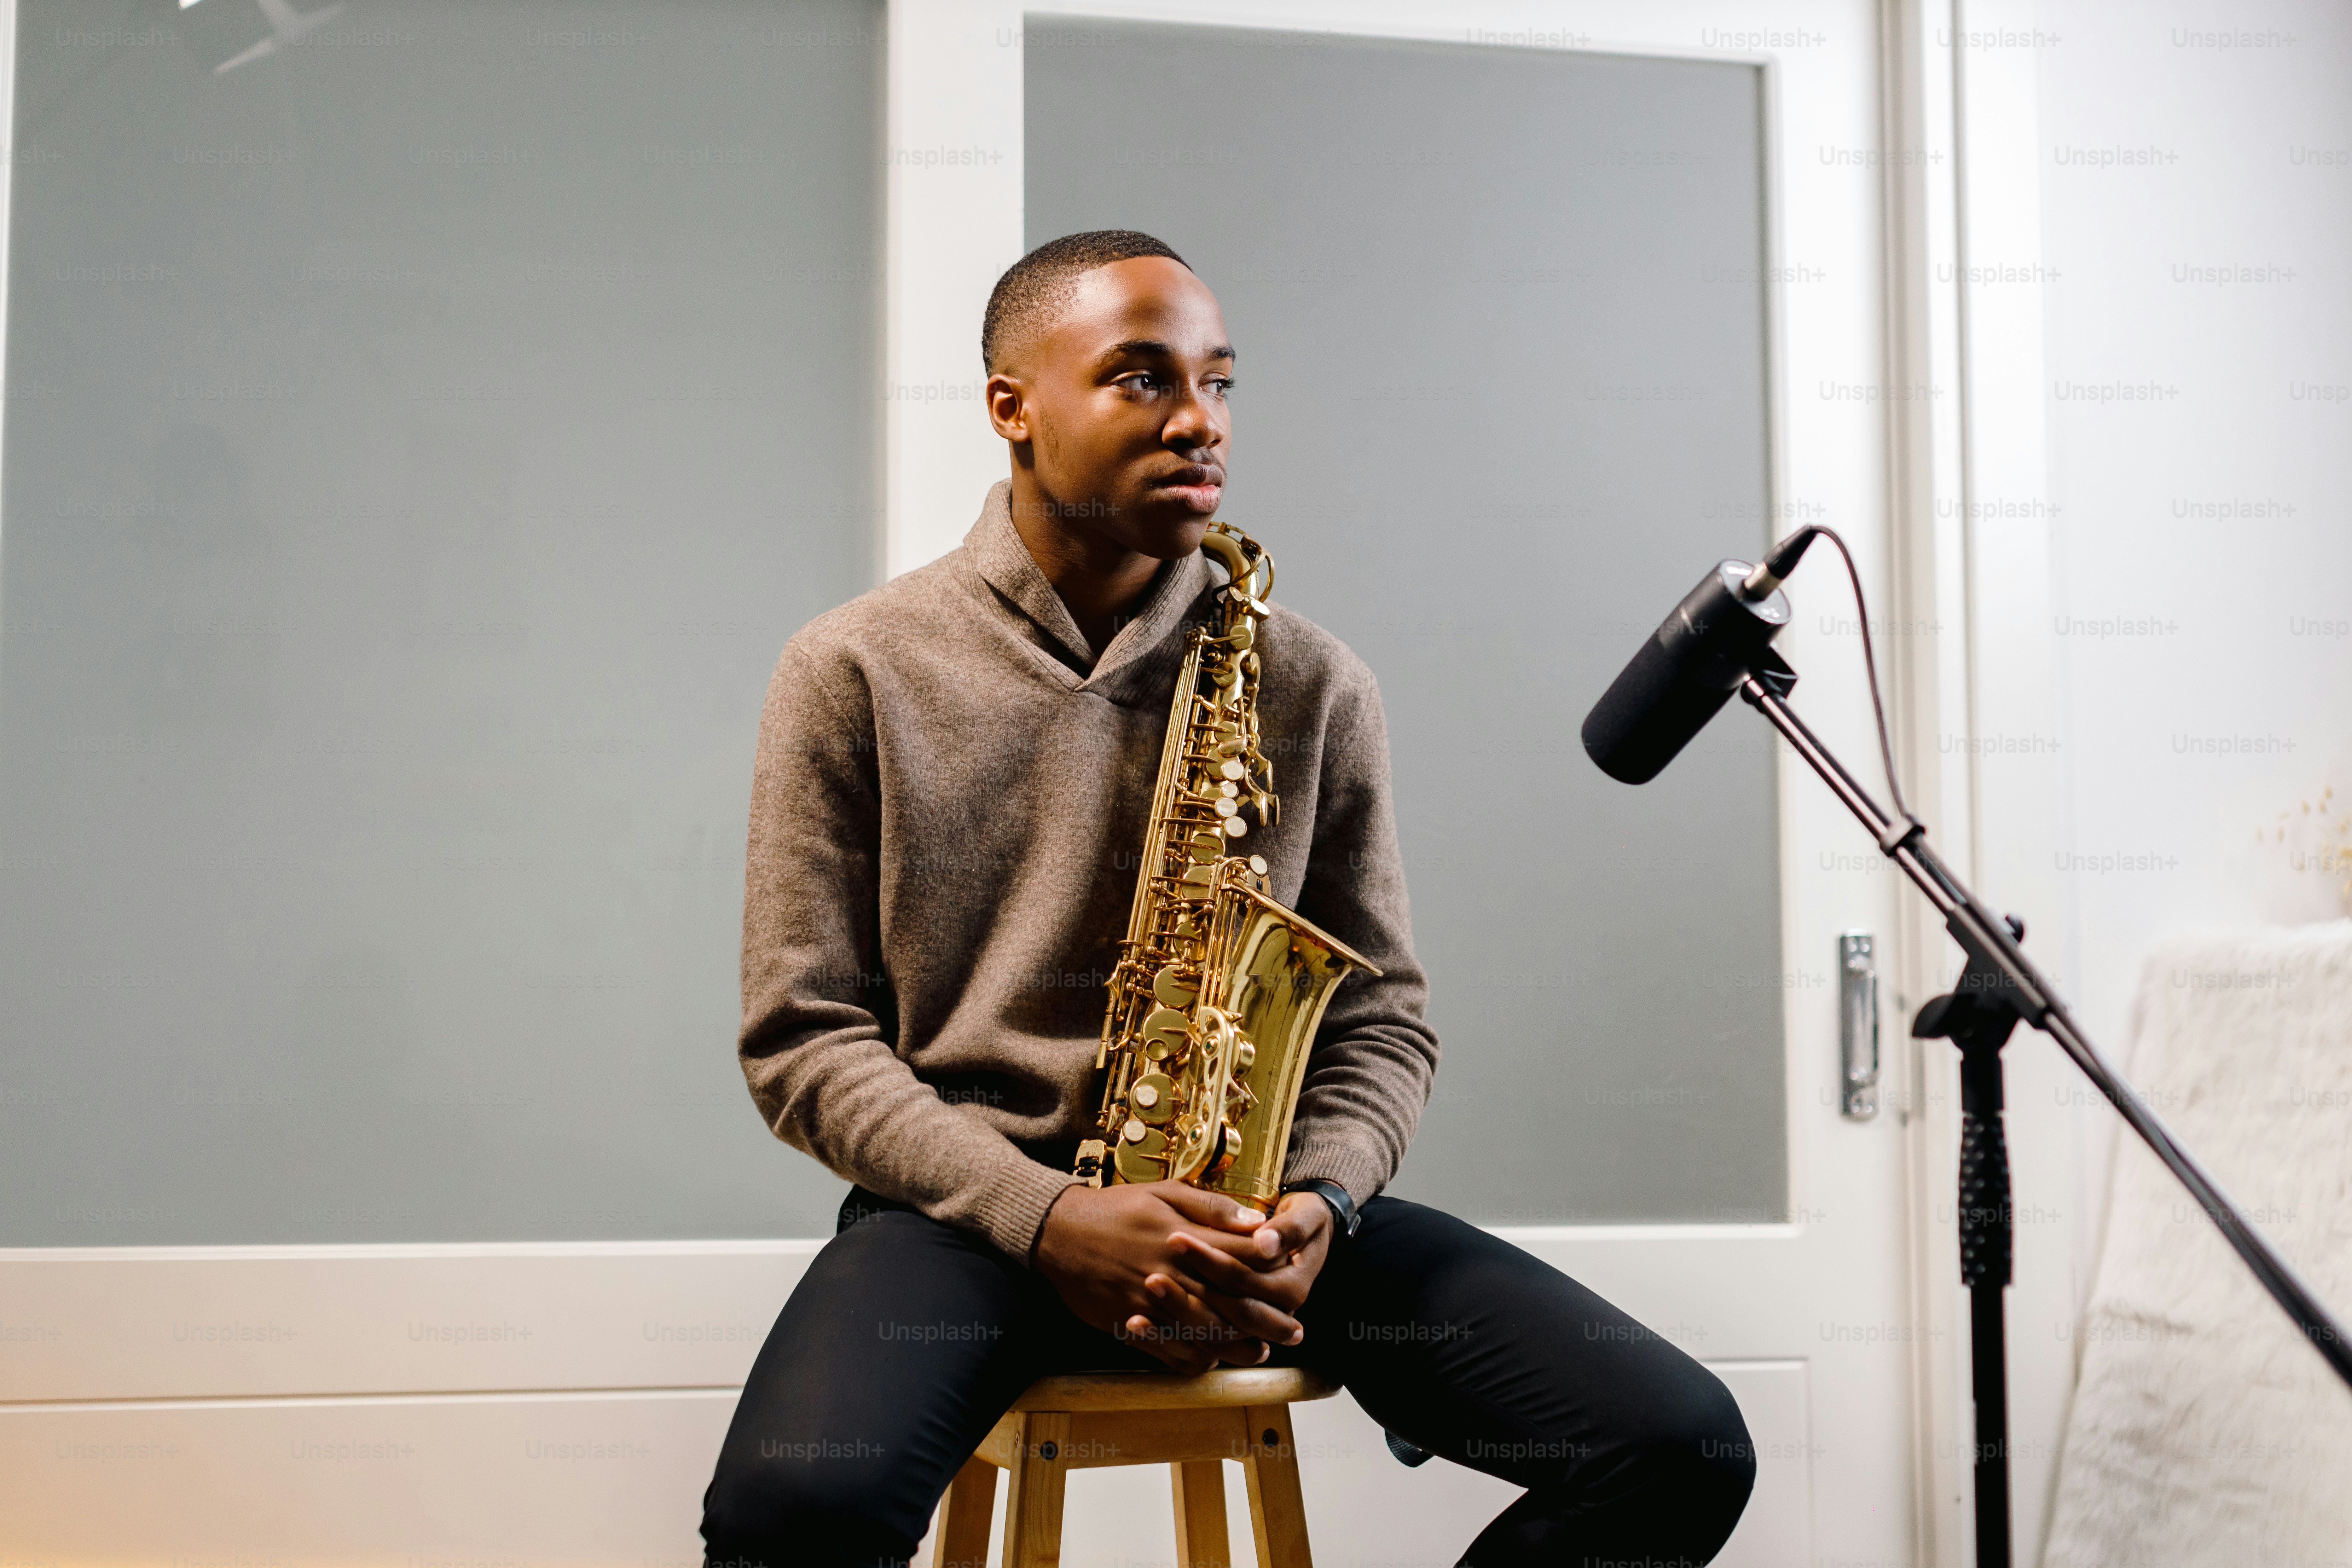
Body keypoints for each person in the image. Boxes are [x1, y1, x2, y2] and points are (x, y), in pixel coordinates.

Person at [701, 230, 1755, 1567]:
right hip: (973, 1220)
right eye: (1139, 378)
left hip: (1259, 1222)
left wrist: (1315, 1204)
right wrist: (1047, 1215)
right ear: (1010, 408)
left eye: (1218, 381)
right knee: (791, 1513)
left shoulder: (1312, 680)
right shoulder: (850, 667)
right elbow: (803, 1038)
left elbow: (1381, 1020)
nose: (1200, 420)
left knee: (1676, 1445)